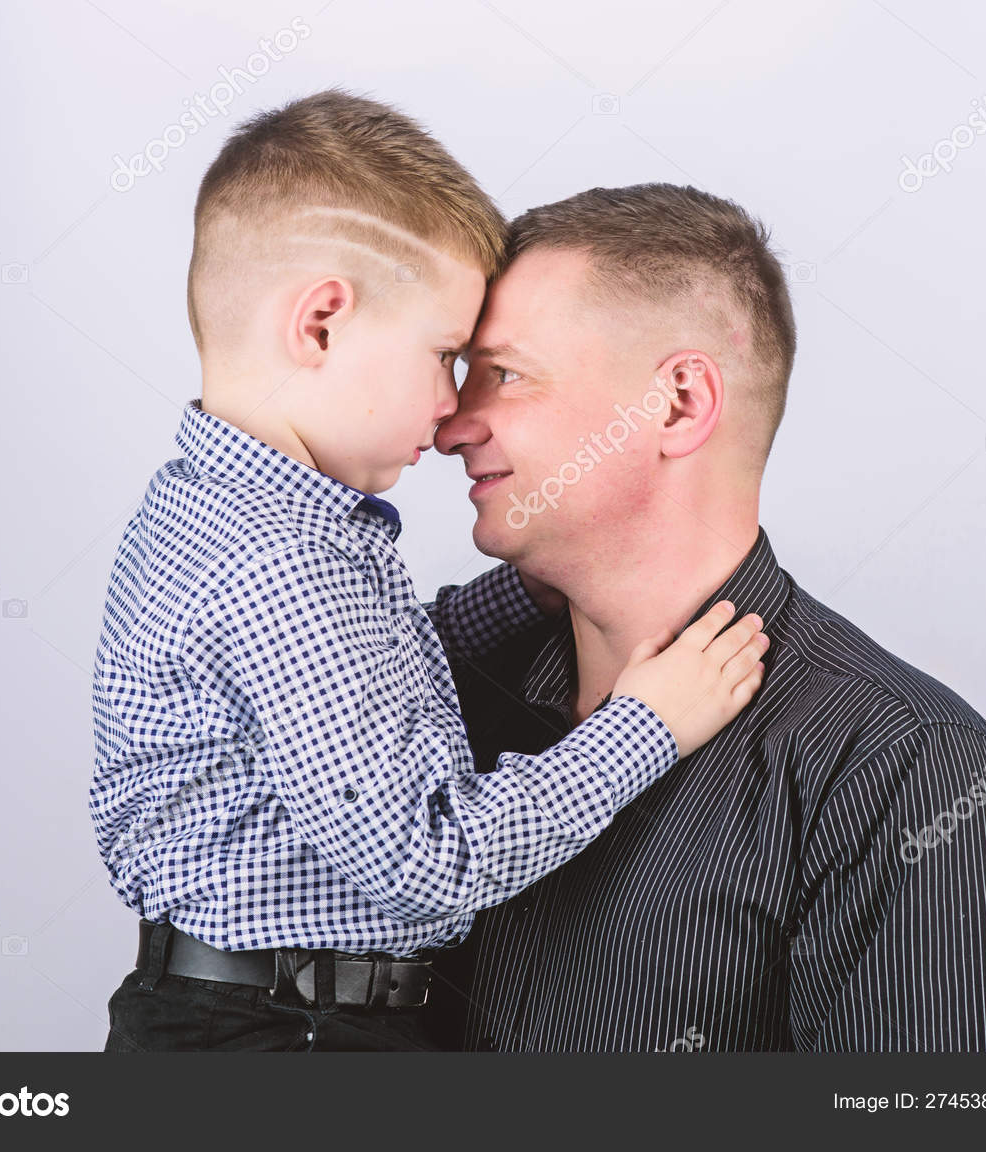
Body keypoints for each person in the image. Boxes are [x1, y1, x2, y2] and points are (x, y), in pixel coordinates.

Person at [90, 95, 769, 1052]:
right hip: (288, 1038)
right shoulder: (278, 562)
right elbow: (428, 859)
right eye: (447, 356)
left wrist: (515, 596)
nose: (452, 413)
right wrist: (645, 729)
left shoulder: (230, 512)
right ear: (322, 324)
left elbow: (359, 686)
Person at [428, 183, 986, 1051]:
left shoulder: (908, 772)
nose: (449, 426)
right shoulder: (437, 703)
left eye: (503, 375)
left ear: (680, 403)